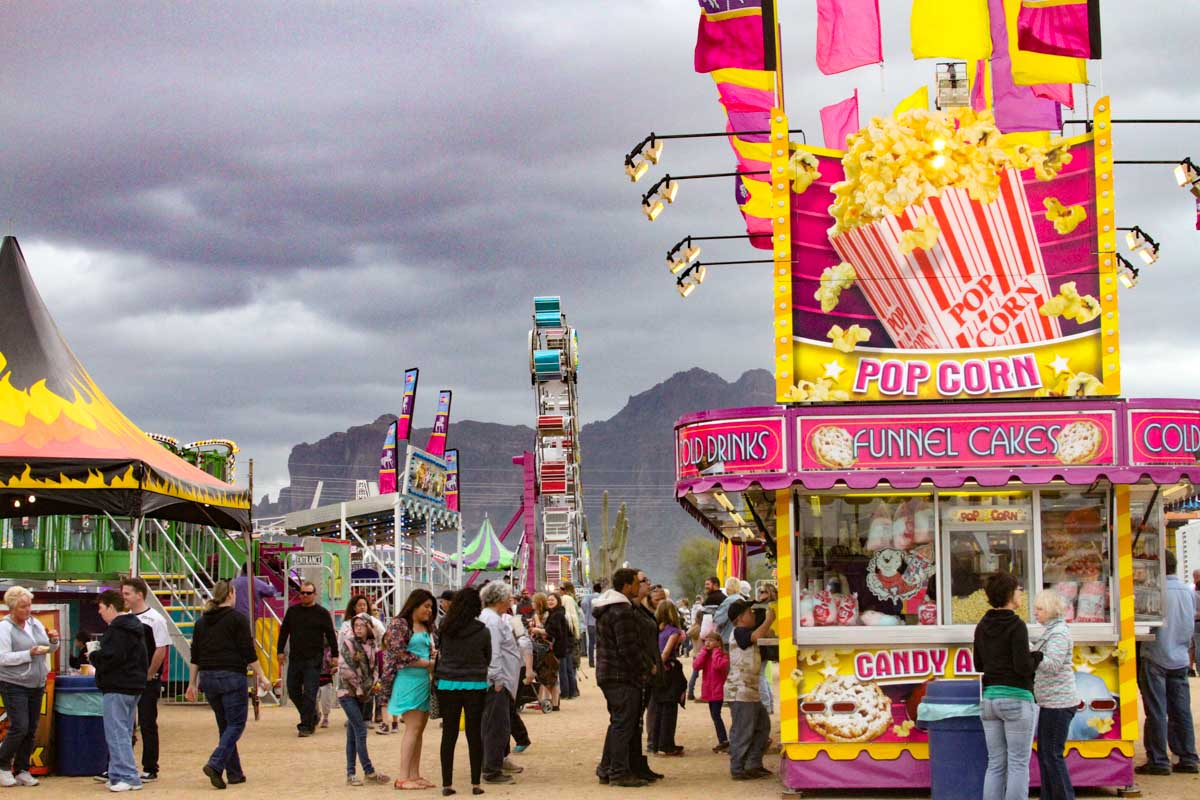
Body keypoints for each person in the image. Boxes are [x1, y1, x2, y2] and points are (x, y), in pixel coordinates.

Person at [185, 580, 271, 789]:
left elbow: (195, 656)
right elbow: (247, 652)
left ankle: (234, 773)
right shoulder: (237, 620)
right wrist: (262, 676)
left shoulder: (202, 622)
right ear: (231, 594)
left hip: (208, 677)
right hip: (231, 675)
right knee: (236, 724)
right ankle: (215, 763)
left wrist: (192, 683)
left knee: (225, 726)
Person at [973, 573, 1039, 800]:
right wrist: (1037, 658)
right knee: (1018, 764)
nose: (1022, 593)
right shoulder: (1016, 625)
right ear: (1010, 594)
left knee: (995, 764)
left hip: (989, 701)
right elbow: (1023, 668)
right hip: (1017, 699)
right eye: (1019, 589)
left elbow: (978, 664)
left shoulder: (982, 625)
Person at [1136, 550, 1200, 775]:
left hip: (1155, 655)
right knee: (1181, 710)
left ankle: (1159, 759)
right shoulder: (1188, 592)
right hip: (1181, 657)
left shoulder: (1154, 592)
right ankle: (1187, 756)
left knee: (1156, 710)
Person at [594, 569, 658, 787]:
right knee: (624, 724)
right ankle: (619, 772)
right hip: (620, 675)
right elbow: (628, 647)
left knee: (618, 722)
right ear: (627, 585)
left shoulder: (609, 608)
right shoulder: (622, 611)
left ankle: (606, 768)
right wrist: (646, 668)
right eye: (635, 583)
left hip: (609, 673)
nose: (637, 587)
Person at [434, 586, 491, 796]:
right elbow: (488, 657)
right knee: (474, 734)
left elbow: (441, 653)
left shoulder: (445, 628)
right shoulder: (483, 630)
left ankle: (447, 784)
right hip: (475, 684)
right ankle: (476, 783)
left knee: (449, 734)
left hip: (448, 683)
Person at [0, 586, 59, 788]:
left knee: (31, 728)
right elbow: (2, 658)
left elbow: (48, 648)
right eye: (23, 607)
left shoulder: (34, 623)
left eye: (29, 605)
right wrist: (28, 654)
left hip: (37, 682)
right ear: (12, 608)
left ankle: (23, 769)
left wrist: (54, 641)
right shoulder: (4, 628)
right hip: (13, 683)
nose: (28, 610)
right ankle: (3, 766)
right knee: (19, 726)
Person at [91, 589, 147, 793]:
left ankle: (128, 776)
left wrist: (94, 656)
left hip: (118, 686)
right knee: (122, 730)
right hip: (133, 685)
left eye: (101, 608)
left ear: (111, 607)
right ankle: (116, 774)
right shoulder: (134, 626)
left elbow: (112, 658)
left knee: (117, 733)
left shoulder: (117, 630)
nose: (100, 612)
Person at [382, 588, 436, 790]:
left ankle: (414, 774)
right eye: (426, 606)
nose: (429, 610)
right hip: (408, 681)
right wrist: (426, 663)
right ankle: (403, 776)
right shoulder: (399, 624)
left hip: (422, 680)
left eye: (431, 607)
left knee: (419, 730)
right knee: (413, 729)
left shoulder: (425, 626)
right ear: (415, 604)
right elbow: (397, 653)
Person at [120, 577, 170, 781]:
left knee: (148, 722)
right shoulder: (125, 618)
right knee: (124, 723)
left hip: (148, 680)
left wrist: (149, 674)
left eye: (127, 594)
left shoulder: (155, 619)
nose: (124, 597)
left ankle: (150, 766)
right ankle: (122, 763)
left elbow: (161, 649)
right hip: (128, 679)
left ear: (139, 595)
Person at [1032, 589, 1079, 800]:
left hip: (1059, 703)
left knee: (1051, 754)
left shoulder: (1058, 633)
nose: (1036, 613)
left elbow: (1052, 665)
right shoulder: (1052, 631)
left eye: (1040, 609)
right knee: (1046, 753)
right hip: (1051, 702)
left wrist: (1030, 654)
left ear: (1051, 610)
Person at [276, 581, 339, 736]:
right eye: (302, 592)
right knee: (292, 690)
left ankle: (305, 726)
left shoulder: (322, 613)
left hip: (314, 659)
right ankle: (312, 715)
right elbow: (284, 632)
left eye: (308, 593)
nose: (304, 595)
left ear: (314, 595)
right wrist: (280, 651)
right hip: (296, 658)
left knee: (310, 693)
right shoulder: (292, 612)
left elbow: (331, 634)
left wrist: (335, 655)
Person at [725, 598, 775, 781]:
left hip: (749, 691)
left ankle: (753, 764)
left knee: (762, 727)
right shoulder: (738, 632)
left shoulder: (745, 631)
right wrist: (769, 619)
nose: (753, 615)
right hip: (740, 691)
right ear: (740, 618)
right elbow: (753, 638)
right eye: (749, 612)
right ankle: (738, 768)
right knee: (743, 731)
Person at [338, 614, 390, 786]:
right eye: (356, 625)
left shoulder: (373, 646)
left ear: (369, 627)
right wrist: (362, 686)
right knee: (360, 730)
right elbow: (345, 670)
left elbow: (375, 669)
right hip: (348, 693)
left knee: (352, 735)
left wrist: (373, 683)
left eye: (362, 625)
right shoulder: (348, 644)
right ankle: (369, 771)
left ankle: (350, 773)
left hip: (364, 694)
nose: (358, 628)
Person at [478, 581, 521, 785]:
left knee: (496, 724)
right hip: (498, 681)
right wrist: (497, 678)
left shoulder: (492, 618)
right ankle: (492, 770)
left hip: (502, 679)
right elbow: (493, 652)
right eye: (508, 597)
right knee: (497, 725)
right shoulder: (492, 621)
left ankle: (493, 762)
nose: (510, 601)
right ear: (501, 599)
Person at [339, 595, 387, 732]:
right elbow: (341, 641)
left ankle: (366, 717)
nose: (362, 607)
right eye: (359, 605)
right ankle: (354, 716)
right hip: (351, 658)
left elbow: (382, 636)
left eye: (364, 605)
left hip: (370, 656)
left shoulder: (373, 622)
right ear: (353, 607)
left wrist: (378, 650)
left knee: (369, 685)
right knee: (353, 688)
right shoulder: (346, 624)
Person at [651, 601, 685, 756]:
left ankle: (656, 743)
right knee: (670, 708)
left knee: (658, 707)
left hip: (656, 672)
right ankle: (667, 744)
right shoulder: (673, 631)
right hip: (668, 670)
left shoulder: (655, 630)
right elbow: (666, 653)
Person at [692, 631, 730, 752]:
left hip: (718, 692)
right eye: (706, 640)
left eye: (711, 640)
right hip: (709, 692)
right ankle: (723, 740)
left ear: (718, 643)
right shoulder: (706, 655)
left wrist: (716, 652)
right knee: (715, 716)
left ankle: (723, 740)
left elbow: (720, 666)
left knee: (716, 715)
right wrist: (704, 652)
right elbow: (696, 665)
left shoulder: (722, 655)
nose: (707, 643)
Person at [543, 593, 572, 711]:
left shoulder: (557, 614)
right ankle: (555, 703)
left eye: (552, 600)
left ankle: (554, 702)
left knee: (552, 675)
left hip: (555, 648)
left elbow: (555, 632)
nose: (550, 601)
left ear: (558, 601)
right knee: (555, 674)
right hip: (559, 648)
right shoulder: (556, 613)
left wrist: (540, 631)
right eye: (548, 600)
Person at [558, 590, 582, 699]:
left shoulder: (564, 616)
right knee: (570, 669)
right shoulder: (573, 617)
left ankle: (565, 692)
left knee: (564, 669)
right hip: (572, 645)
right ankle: (573, 690)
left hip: (564, 645)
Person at [713, 577, 744, 646]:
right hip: (740, 638)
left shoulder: (728, 601)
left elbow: (719, 620)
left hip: (728, 638)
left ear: (728, 587)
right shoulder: (742, 600)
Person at [582, 584, 600, 668]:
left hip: (590, 623)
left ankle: (591, 662)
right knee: (600, 643)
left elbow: (583, 603)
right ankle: (600, 661)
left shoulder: (588, 597)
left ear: (593, 589)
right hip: (600, 623)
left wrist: (586, 612)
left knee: (591, 643)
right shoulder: (603, 596)